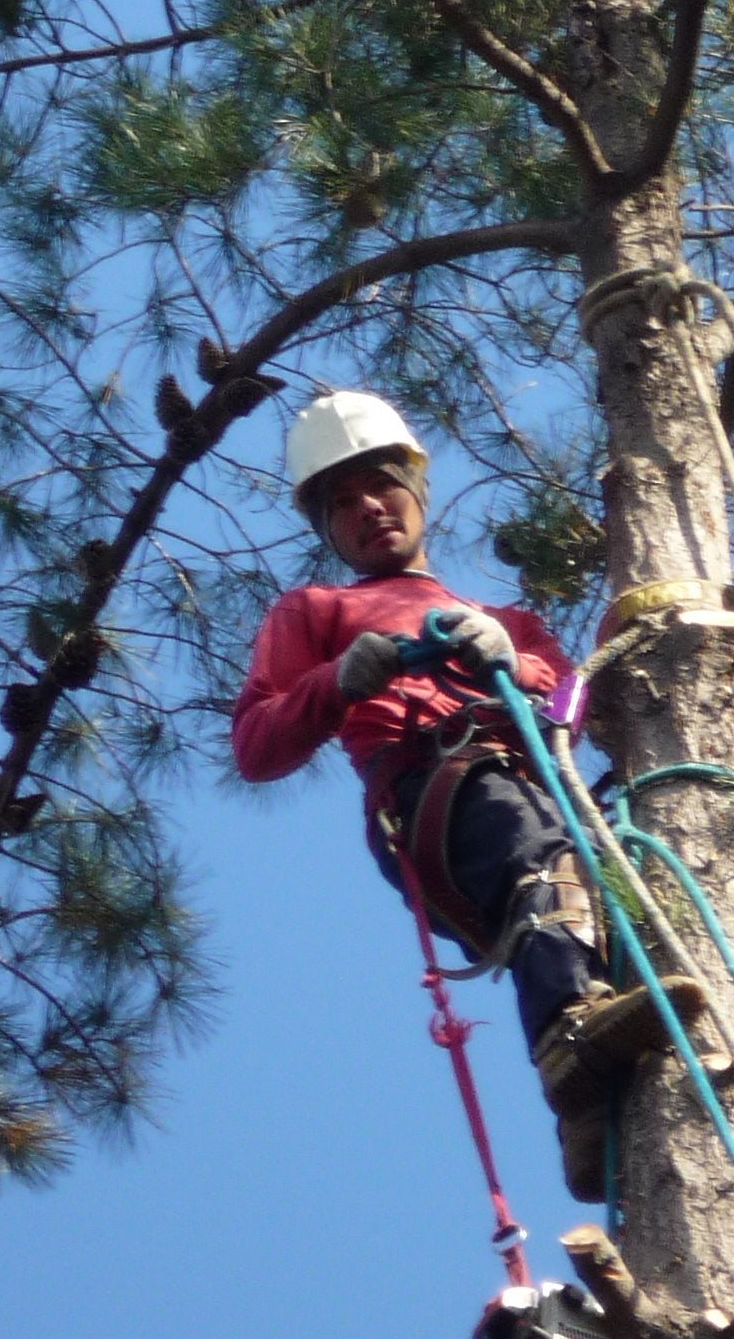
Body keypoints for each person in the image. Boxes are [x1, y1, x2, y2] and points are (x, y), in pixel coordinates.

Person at [231, 386, 708, 1194]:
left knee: (604, 909)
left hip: (534, 790)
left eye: (382, 486)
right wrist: (339, 681)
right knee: (535, 860)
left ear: (417, 493)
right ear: (326, 531)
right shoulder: (314, 609)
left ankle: (591, 1119)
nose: (369, 509)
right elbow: (256, 745)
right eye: (342, 504)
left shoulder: (506, 618)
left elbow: (572, 702)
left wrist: (512, 661)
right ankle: (569, 1035)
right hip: (432, 784)